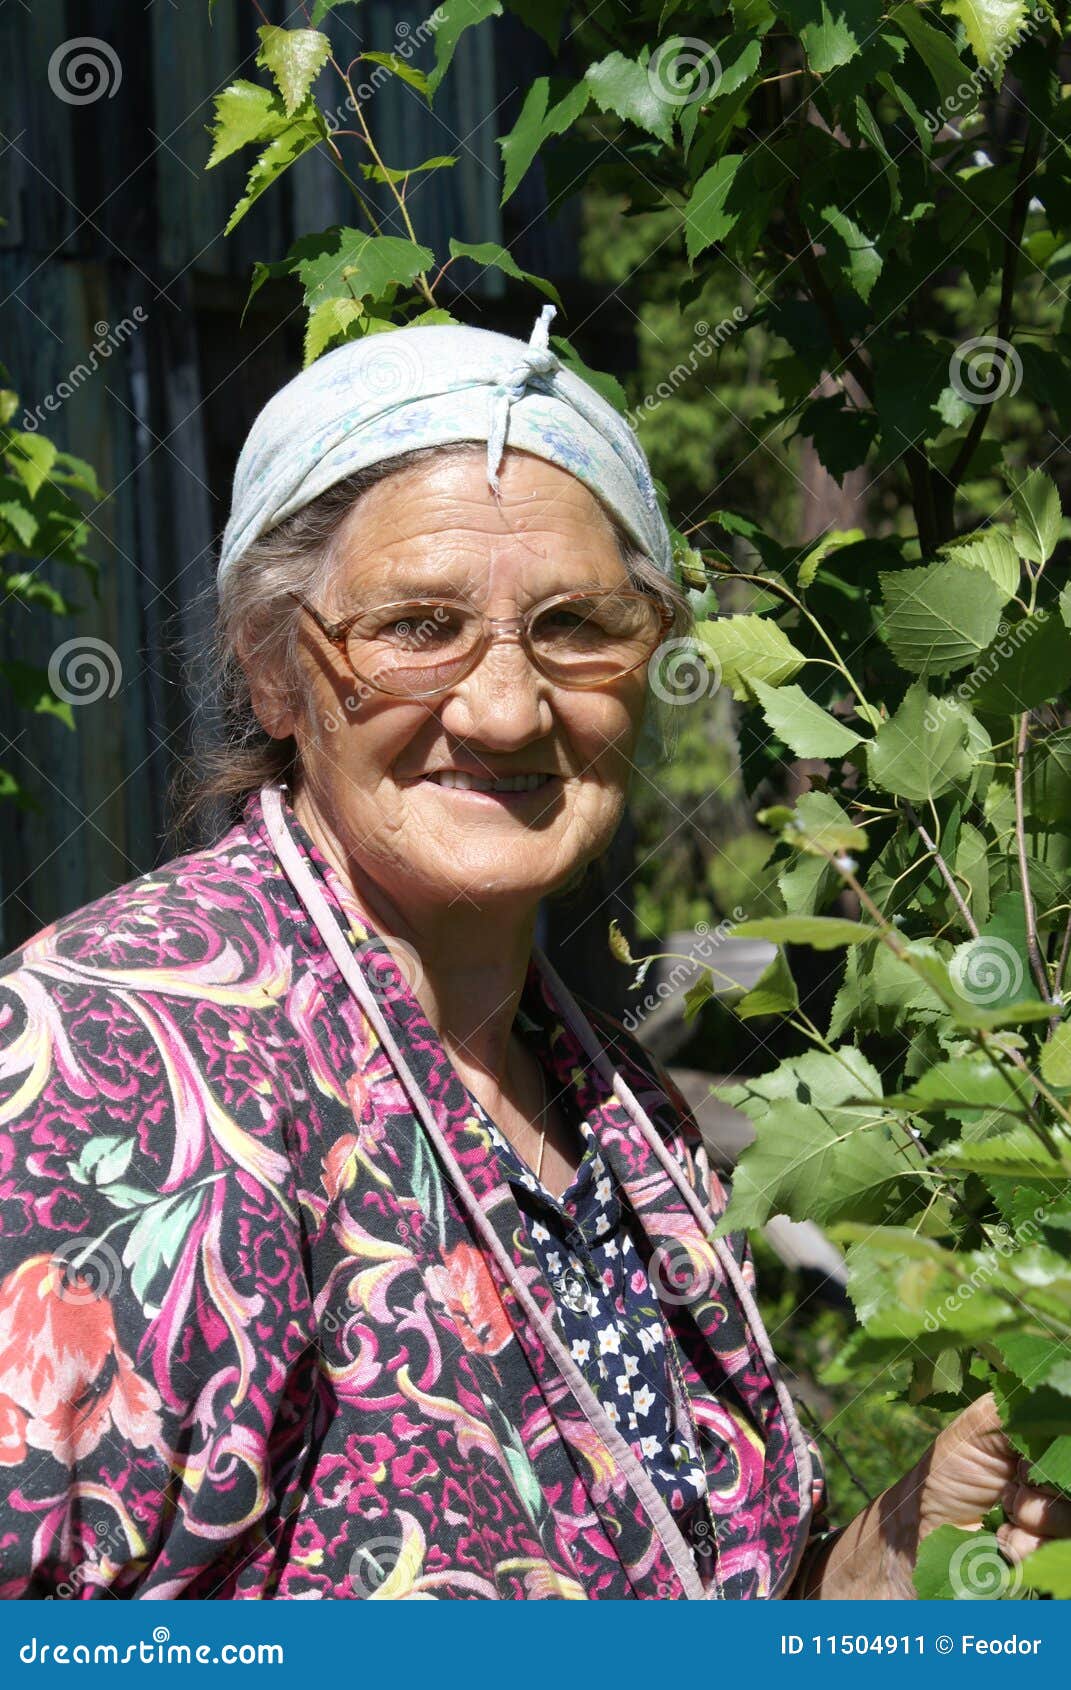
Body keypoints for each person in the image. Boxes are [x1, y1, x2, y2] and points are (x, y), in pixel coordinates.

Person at [0, 308, 1065, 1600]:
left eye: (573, 625)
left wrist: (903, 1547)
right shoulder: (114, 1064)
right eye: (417, 625)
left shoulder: (615, 1104)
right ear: (274, 672)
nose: (506, 708)